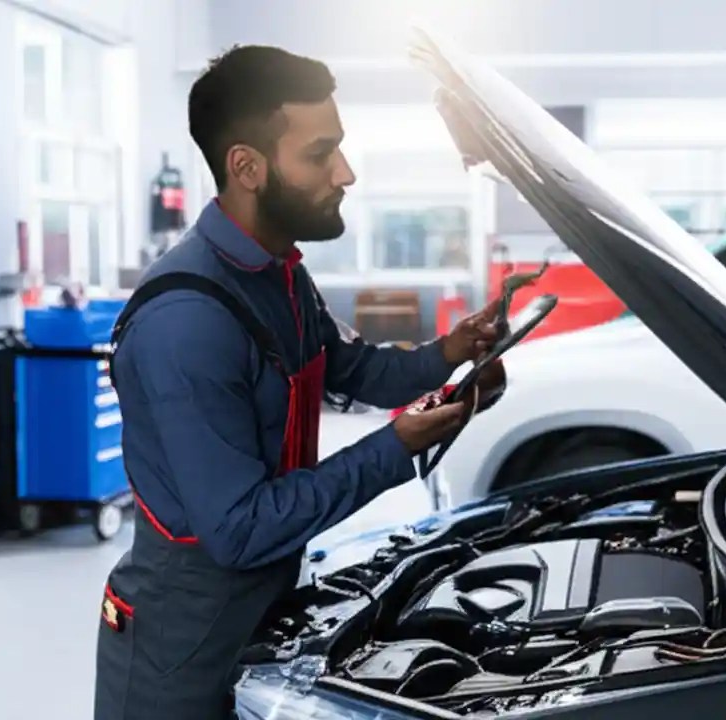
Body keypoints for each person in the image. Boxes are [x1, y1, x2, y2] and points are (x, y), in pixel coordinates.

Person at [93, 45, 504, 719]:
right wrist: (394, 448)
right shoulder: (187, 322)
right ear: (247, 167)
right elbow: (239, 529)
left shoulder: (279, 276)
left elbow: (357, 368)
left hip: (267, 599)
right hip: (180, 643)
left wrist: (452, 354)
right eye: (320, 154)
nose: (345, 173)